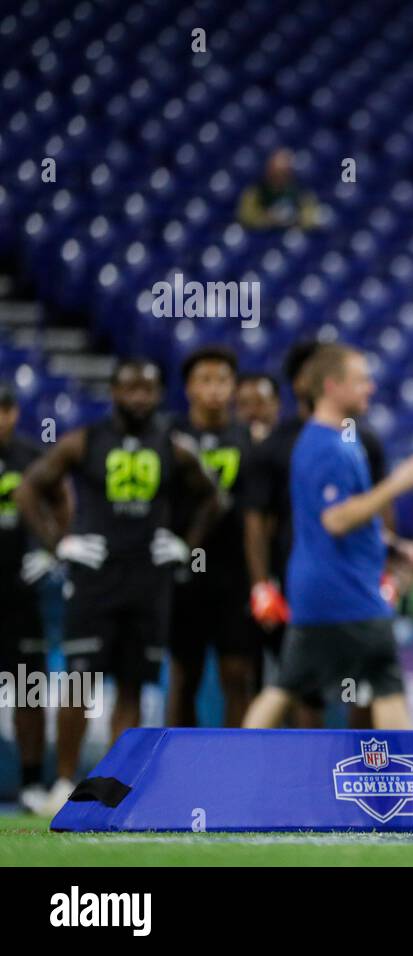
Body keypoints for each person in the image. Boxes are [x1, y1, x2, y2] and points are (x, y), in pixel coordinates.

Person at [16, 360, 219, 814]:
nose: (139, 397)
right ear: (113, 392)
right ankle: (65, 782)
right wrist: (59, 543)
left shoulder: (174, 446)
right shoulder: (83, 441)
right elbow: (28, 490)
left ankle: (112, 788)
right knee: (80, 680)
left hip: (148, 582)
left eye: (148, 389)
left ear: (159, 394)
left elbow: (213, 496)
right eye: (130, 389)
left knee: (133, 686)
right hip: (95, 581)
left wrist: (187, 544)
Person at [243, 345, 413, 729]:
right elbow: (335, 520)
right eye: (361, 379)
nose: (370, 387)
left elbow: (346, 519)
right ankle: (399, 779)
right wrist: (398, 482)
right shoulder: (326, 447)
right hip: (344, 593)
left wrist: (397, 547)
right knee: (383, 684)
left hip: (332, 589)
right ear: (332, 386)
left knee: (287, 685)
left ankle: (238, 768)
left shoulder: (339, 441)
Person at [167, 345, 258, 727]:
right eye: (205, 380)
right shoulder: (170, 436)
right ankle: (180, 767)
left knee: (237, 675)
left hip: (235, 574)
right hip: (182, 574)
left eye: (223, 380)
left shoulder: (249, 440)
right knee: (183, 676)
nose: (215, 389)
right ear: (188, 387)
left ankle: (236, 767)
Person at [0, 387, 68, 812]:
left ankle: (30, 783)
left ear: (13, 412)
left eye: (2, 410)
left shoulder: (32, 456)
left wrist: (53, 548)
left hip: (19, 592)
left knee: (27, 689)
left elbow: (64, 504)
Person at [237, 148, 320, 231]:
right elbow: (245, 217)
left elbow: (310, 218)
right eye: (276, 172)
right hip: (261, 238)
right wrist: (268, 218)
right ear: (269, 170)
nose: (280, 177)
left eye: (284, 173)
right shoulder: (255, 192)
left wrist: (293, 218)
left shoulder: (301, 192)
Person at [235, 372, 280, 443]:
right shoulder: (227, 444)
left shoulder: (295, 442)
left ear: (276, 404)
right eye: (243, 404)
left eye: (259, 403)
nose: (251, 411)